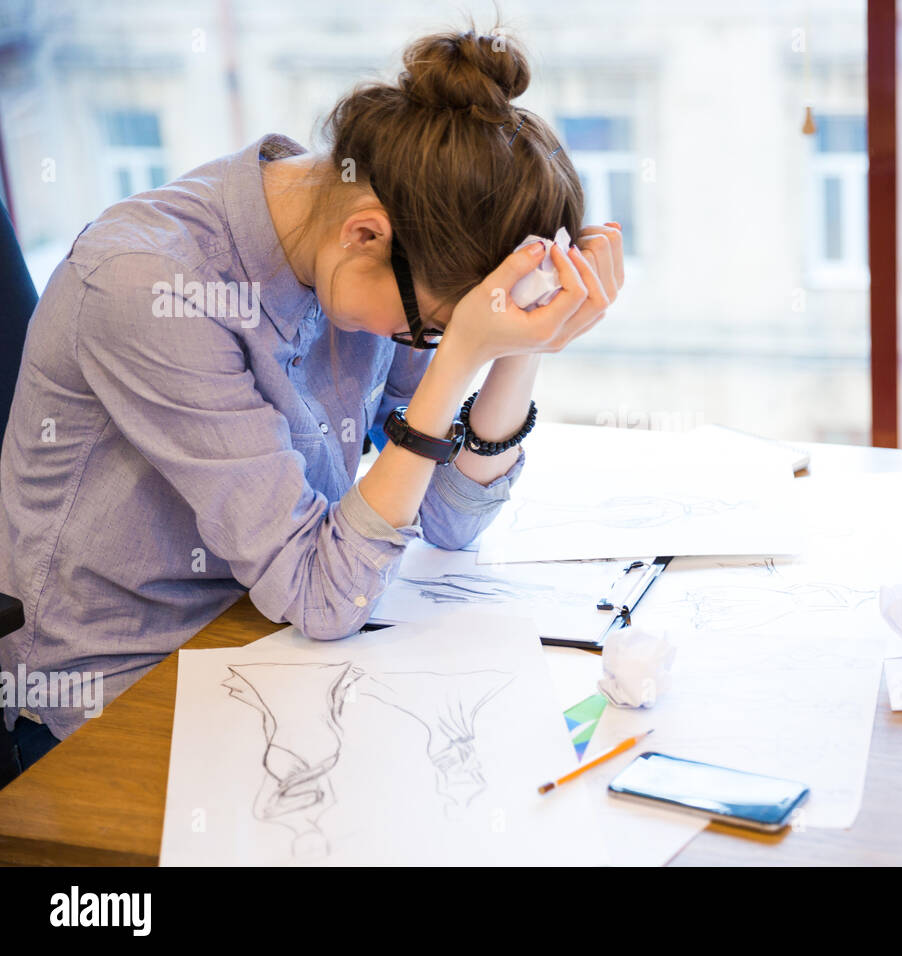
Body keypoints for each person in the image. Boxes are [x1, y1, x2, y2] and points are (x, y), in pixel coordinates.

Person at [0, 26, 623, 783]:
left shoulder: (365, 243)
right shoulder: (154, 288)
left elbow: (451, 521)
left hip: (273, 639)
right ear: (368, 234)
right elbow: (321, 594)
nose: (421, 344)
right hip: (120, 694)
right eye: (424, 327)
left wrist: (526, 338)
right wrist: (459, 355)